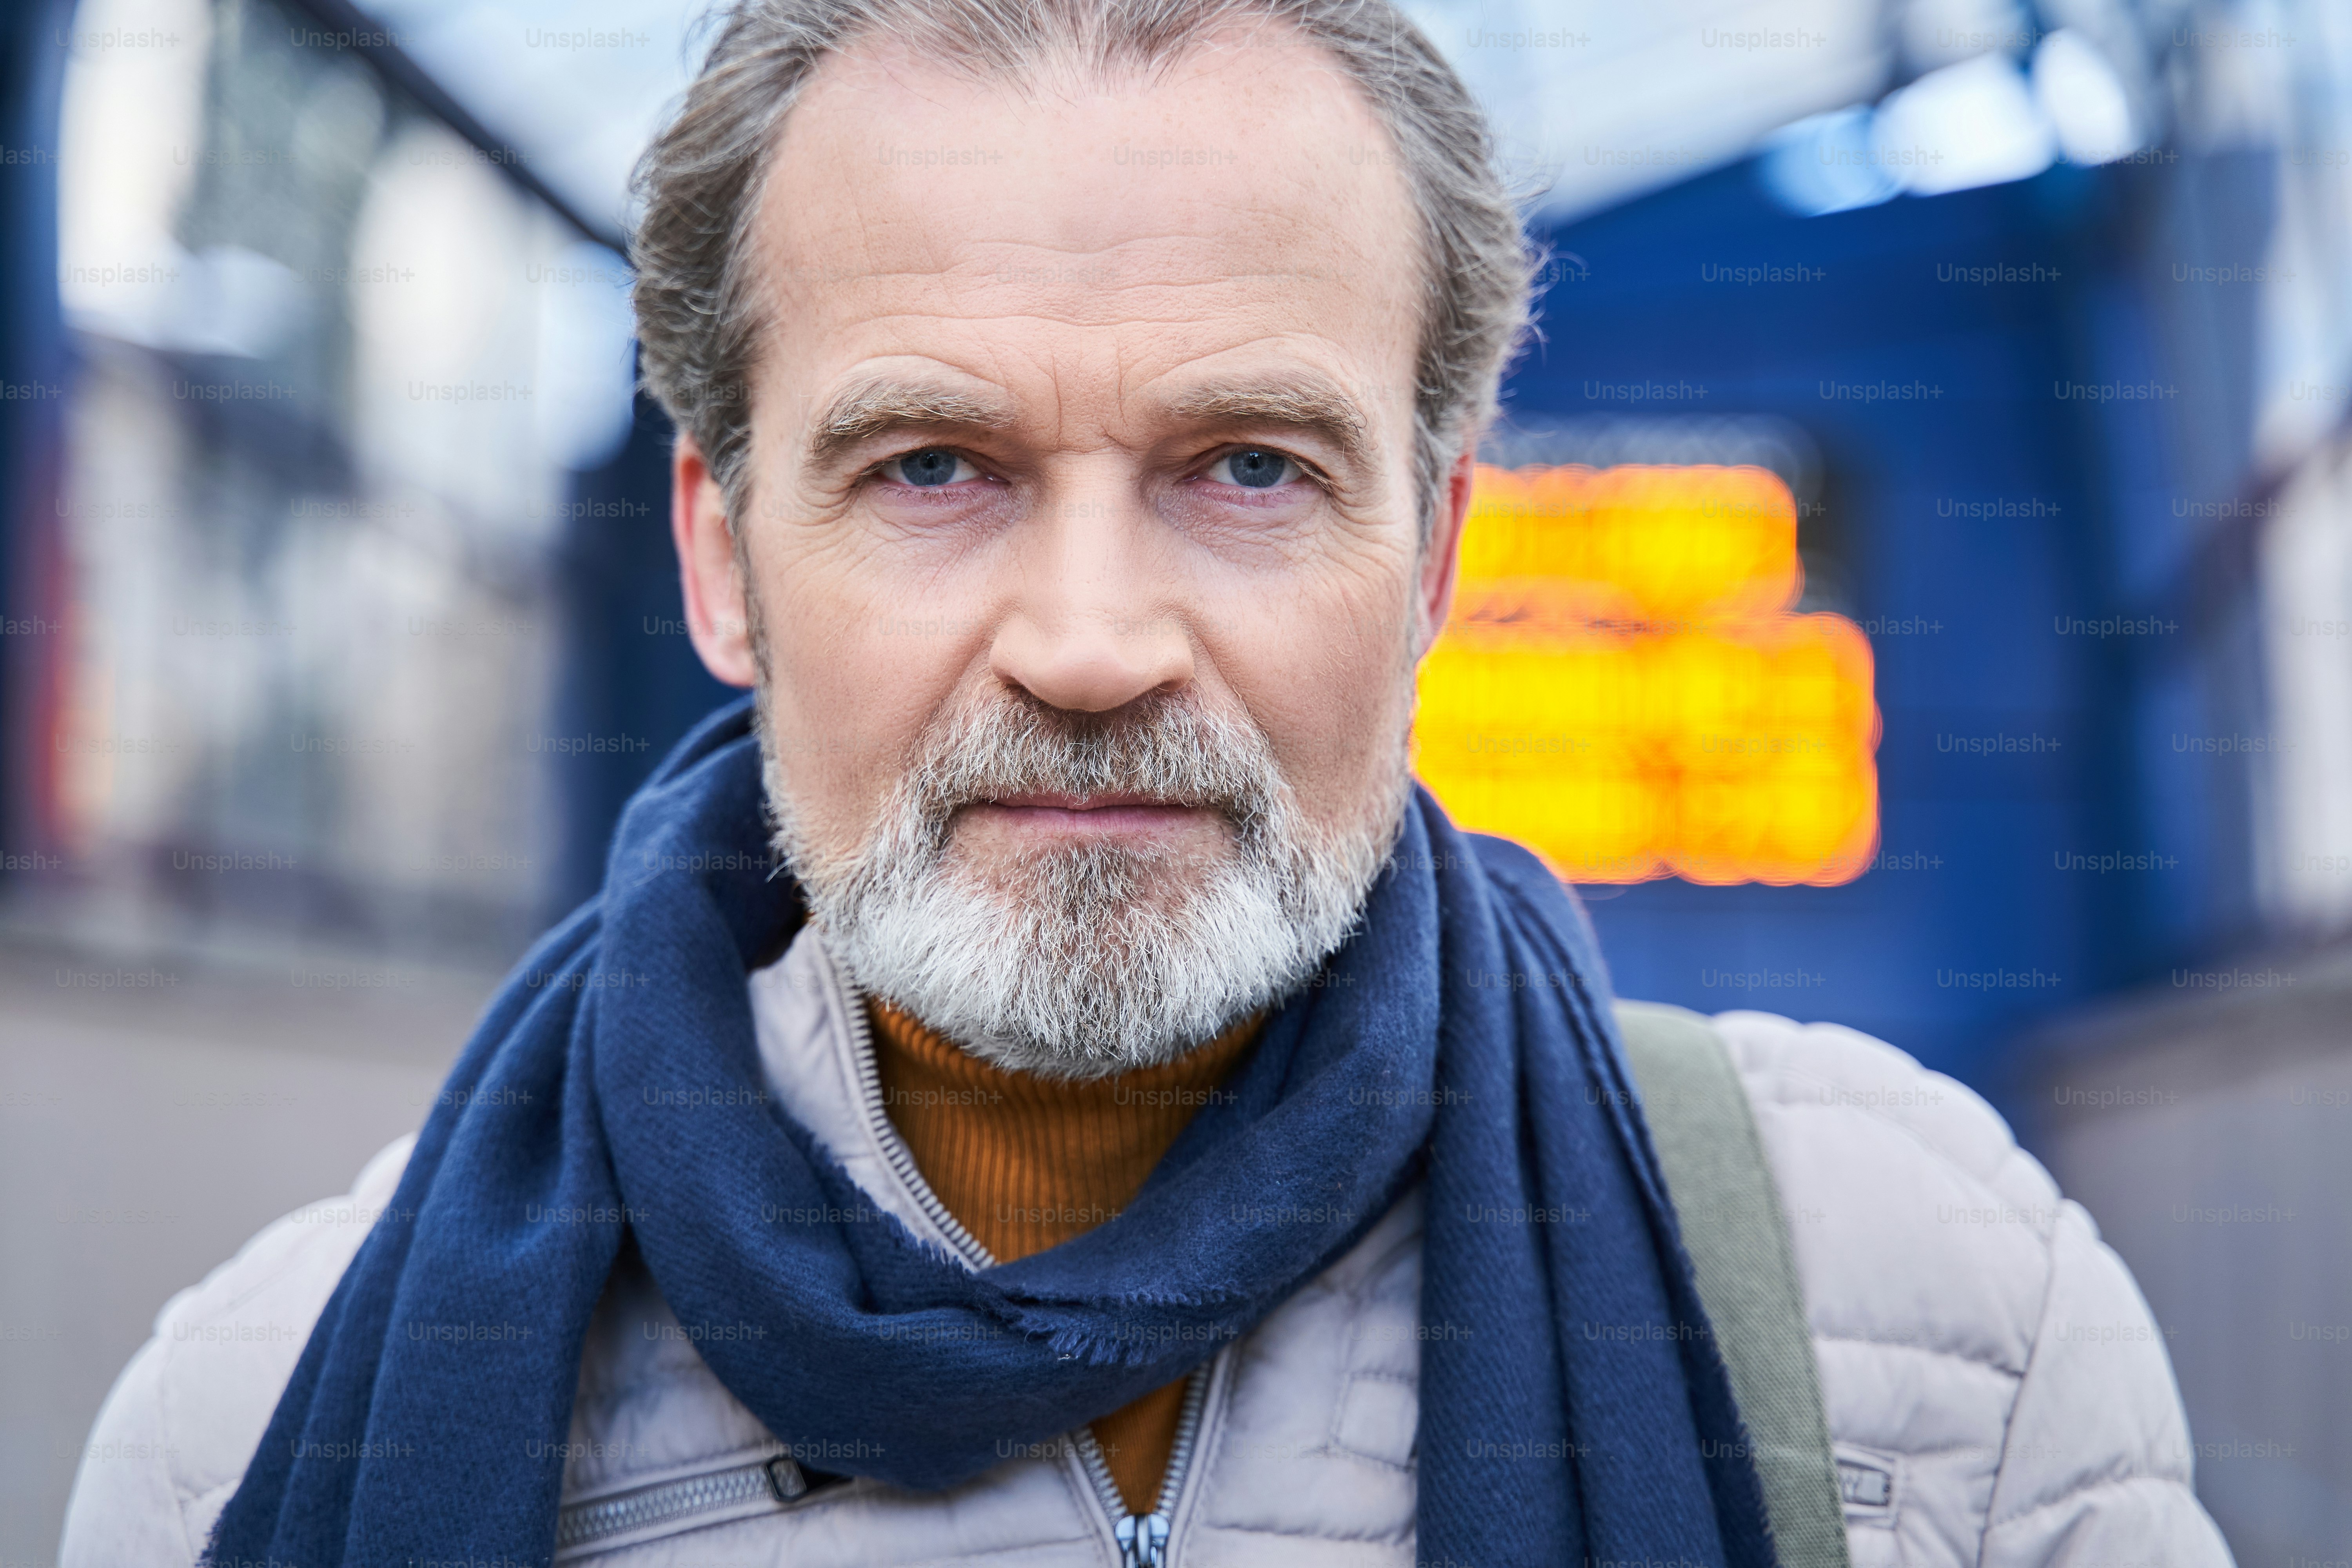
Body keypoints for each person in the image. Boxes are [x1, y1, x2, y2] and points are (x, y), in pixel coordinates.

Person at [60, 2, 2230, 1564]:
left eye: (1250, 469)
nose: (1092, 643)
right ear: (724, 563)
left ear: (1432, 563)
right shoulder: (255, 1430)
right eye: (933, 467)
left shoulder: (1928, 1330)